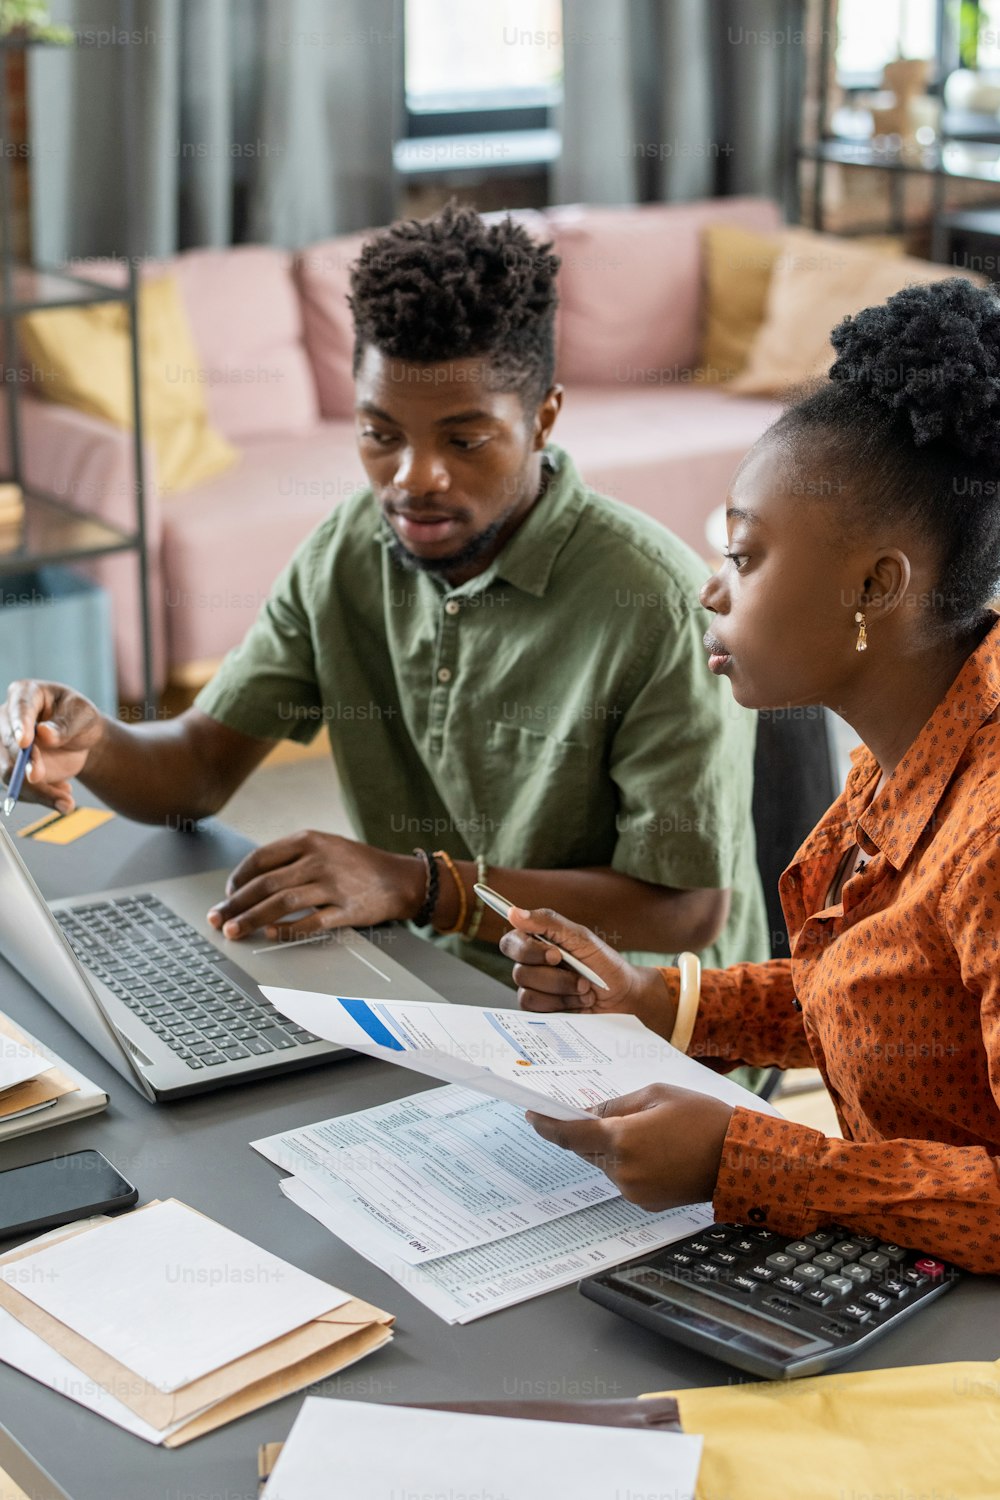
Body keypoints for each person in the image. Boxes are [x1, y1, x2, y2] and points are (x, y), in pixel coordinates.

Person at [0, 204, 766, 988]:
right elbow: (198, 766)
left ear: (542, 420)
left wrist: (418, 886)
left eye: (463, 441)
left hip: (628, 1030)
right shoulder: (347, 552)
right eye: (381, 434)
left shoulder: (658, 606)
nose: (412, 479)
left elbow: (684, 910)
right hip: (424, 983)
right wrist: (94, 740)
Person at [500, 276, 1000, 1273]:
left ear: (874, 586)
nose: (710, 587)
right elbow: (873, 1006)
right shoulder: (906, 756)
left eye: (745, 553)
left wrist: (750, 1160)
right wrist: (650, 1001)